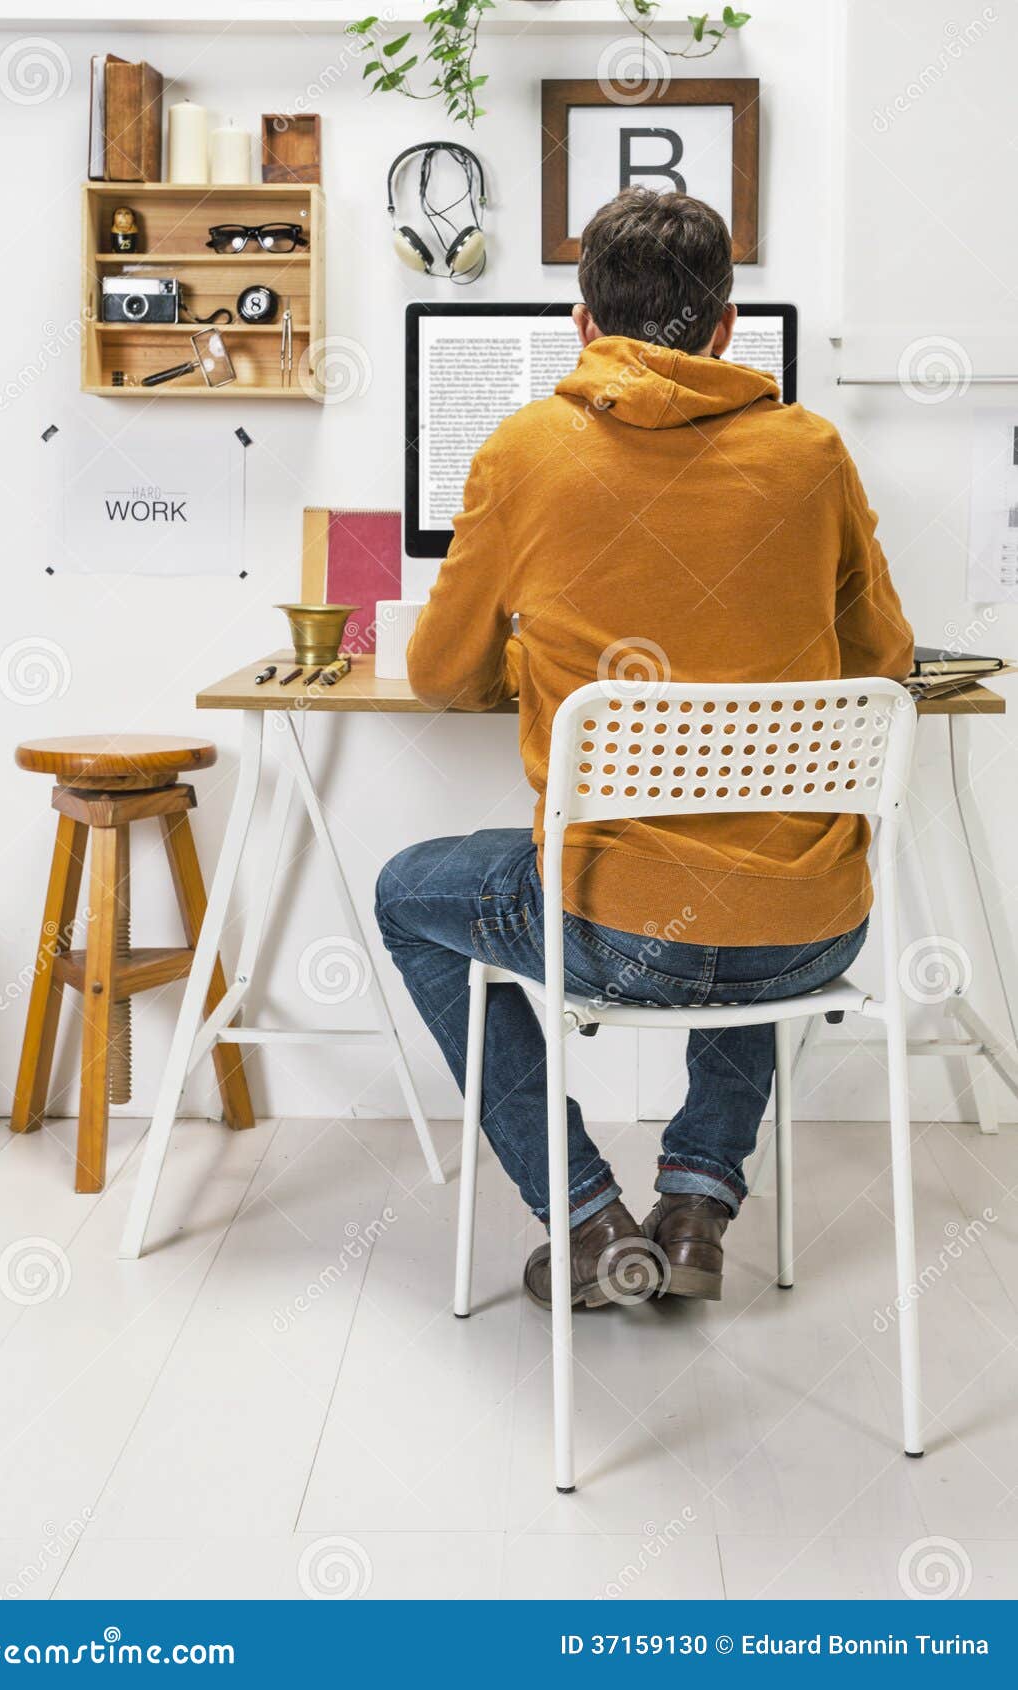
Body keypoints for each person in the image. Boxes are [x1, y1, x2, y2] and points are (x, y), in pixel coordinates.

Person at [375, 188, 913, 1309]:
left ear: (581, 325)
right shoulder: (811, 451)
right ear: (725, 328)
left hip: (614, 939)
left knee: (401, 894)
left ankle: (581, 1217)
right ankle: (695, 1202)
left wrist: (528, 669)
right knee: (756, 861)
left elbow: (436, 675)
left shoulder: (525, 449)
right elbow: (888, 658)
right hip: (812, 933)